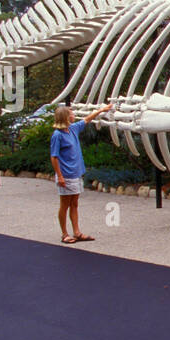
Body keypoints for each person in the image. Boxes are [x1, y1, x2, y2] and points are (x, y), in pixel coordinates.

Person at [50, 102, 113, 244]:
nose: (74, 115)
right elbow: (54, 157)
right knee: (64, 205)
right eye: (71, 114)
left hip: (76, 173)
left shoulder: (72, 129)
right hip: (66, 175)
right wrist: (59, 176)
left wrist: (102, 110)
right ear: (65, 117)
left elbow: (87, 119)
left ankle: (77, 232)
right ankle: (64, 234)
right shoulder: (57, 135)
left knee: (74, 203)